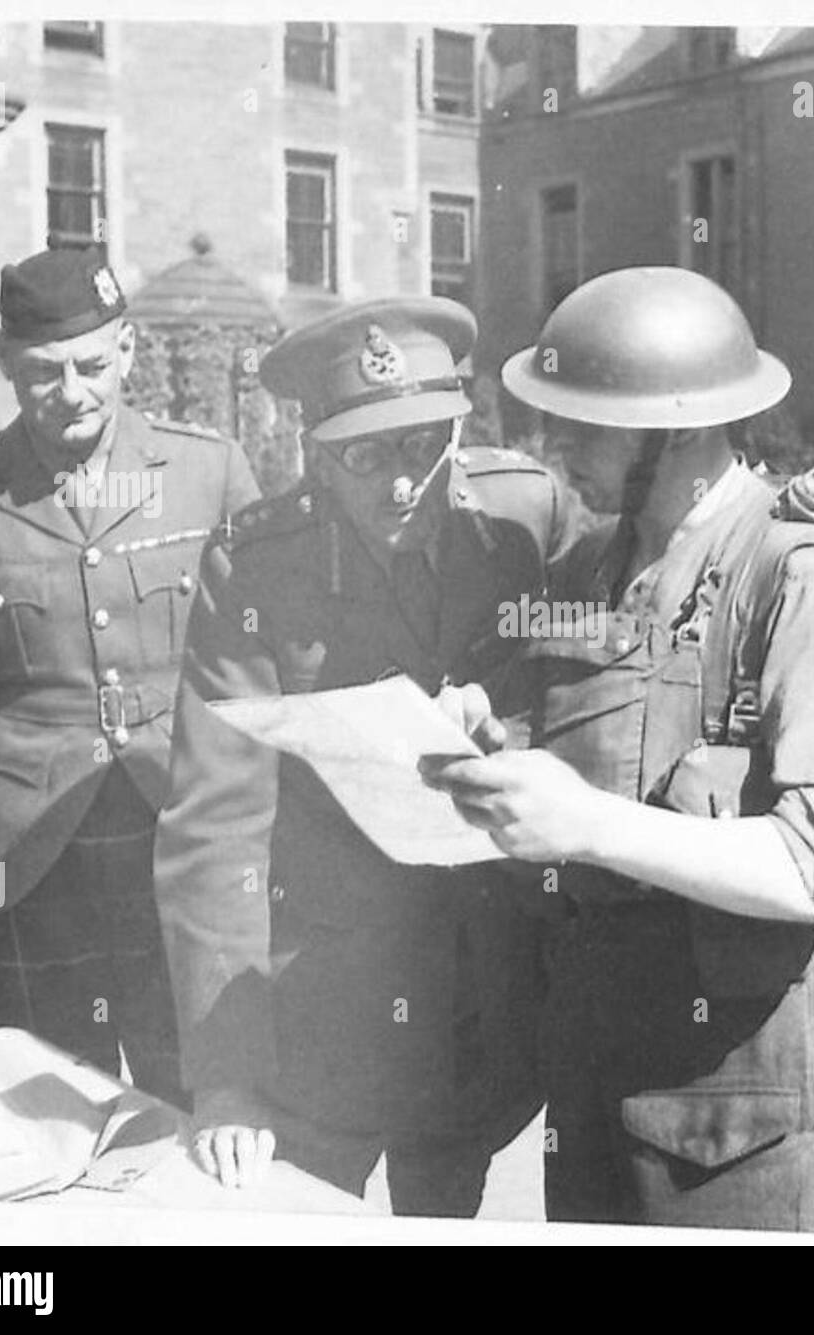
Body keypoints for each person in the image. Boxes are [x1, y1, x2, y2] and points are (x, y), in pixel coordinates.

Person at [425, 266, 814, 1231]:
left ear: (682, 432)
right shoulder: (595, 566)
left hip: (742, 1122)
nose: (551, 442)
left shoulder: (803, 576)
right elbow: (584, 738)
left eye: (584, 422)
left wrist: (587, 822)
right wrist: (490, 735)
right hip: (596, 1083)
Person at [152, 296, 582, 1213]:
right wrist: (227, 1073)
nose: (400, 481)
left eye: (424, 444)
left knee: (446, 1206)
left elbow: (611, 666)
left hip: (478, 992)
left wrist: (510, 729)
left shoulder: (522, 526)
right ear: (315, 451)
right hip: (325, 1009)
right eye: (366, 453)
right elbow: (216, 824)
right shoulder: (258, 564)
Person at [0, 246, 259, 1106]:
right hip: (29, 865)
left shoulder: (206, 472)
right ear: (2, 359)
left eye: (88, 365)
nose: (70, 391)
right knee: (52, 1109)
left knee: (198, 1095)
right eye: (41, 372)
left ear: (127, 350)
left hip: (178, 843)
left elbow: (261, 652)